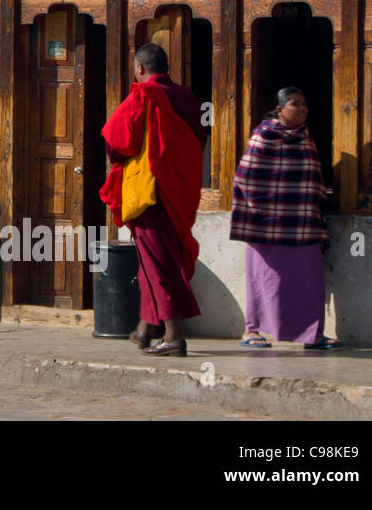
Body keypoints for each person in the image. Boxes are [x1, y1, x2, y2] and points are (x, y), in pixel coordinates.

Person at [100, 43, 208, 356]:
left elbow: (116, 142)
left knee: (159, 265)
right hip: (181, 193)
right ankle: (145, 328)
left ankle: (174, 334)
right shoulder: (187, 99)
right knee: (153, 262)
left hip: (151, 193)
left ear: (140, 69)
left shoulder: (143, 96)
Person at [231, 87, 341, 350]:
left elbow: (309, 179)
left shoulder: (306, 139)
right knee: (265, 279)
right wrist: (266, 209)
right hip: (268, 225)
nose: (302, 108)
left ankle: (312, 335)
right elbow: (245, 177)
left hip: (303, 223)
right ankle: (252, 331)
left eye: (304, 104)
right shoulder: (264, 137)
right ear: (280, 110)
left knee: (309, 279)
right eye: (295, 104)